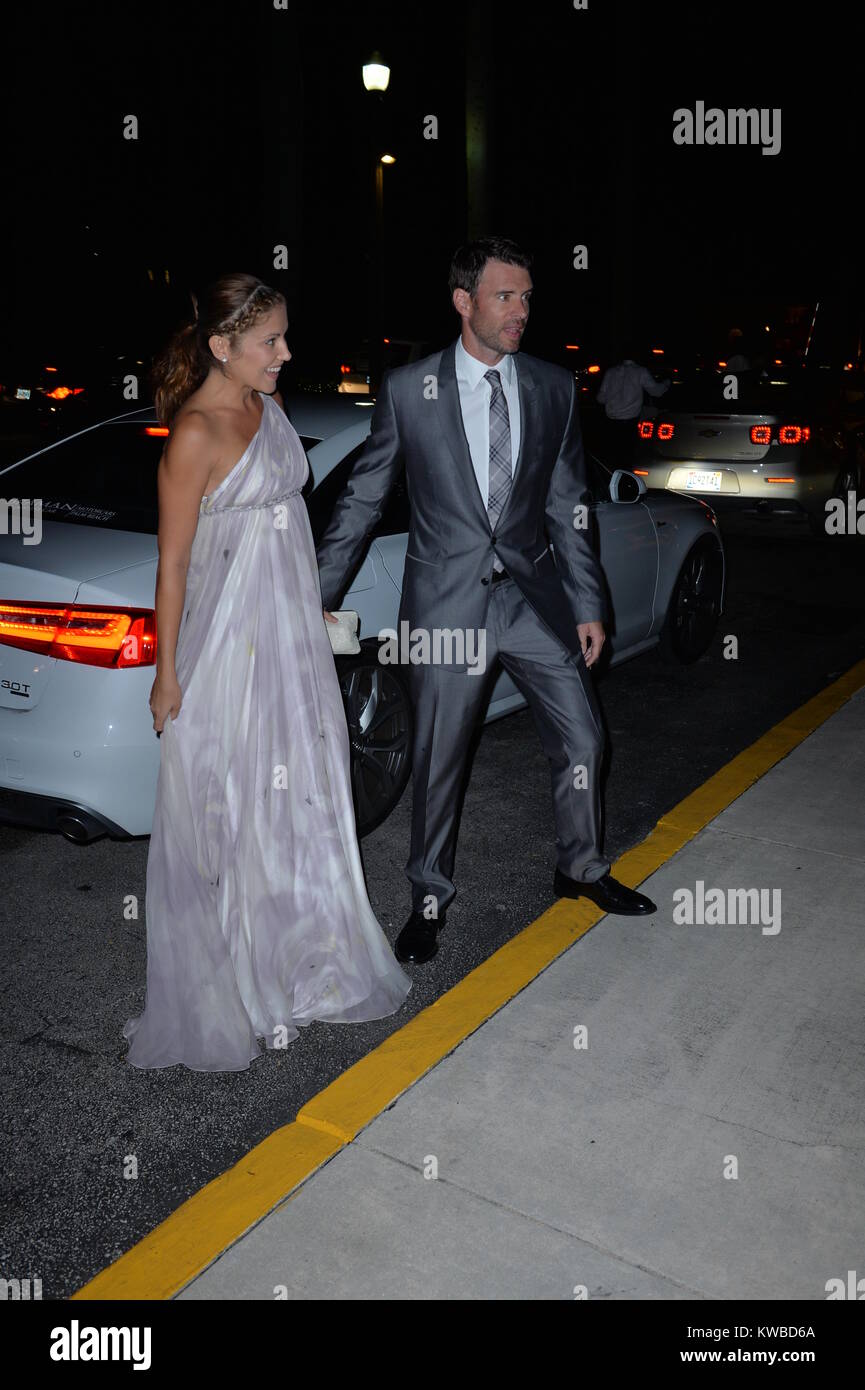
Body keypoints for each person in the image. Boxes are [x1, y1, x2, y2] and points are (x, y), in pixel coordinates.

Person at [316, 237, 657, 966]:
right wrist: (317, 597)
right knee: (440, 759)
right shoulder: (411, 390)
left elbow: (569, 503)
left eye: (527, 296)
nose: (520, 311)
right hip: (446, 609)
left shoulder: (551, 386)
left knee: (585, 739)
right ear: (462, 302)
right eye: (505, 296)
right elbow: (362, 500)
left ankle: (580, 867)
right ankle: (428, 896)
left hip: (533, 600)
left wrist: (587, 601)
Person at [123, 273, 411, 1072]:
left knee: (299, 805)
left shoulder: (269, 409)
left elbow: (282, 530)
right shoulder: (195, 434)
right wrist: (165, 674)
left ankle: (298, 964)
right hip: (222, 656)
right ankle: (235, 985)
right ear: (222, 347)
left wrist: (303, 609)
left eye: (284, 337)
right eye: (270, 342)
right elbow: (173, 567)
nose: (286, 353)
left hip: (285, 646)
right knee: (229, 811)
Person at [596, 343, 670, 468]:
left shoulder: (611, 372)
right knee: (627, 459)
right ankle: (625, 484)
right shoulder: (641, 372)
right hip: (629, 424)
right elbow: (656, 392)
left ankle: (613, 484)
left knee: (612, 459)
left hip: (610, 424)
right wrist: (667, 383)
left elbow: (601, 399)